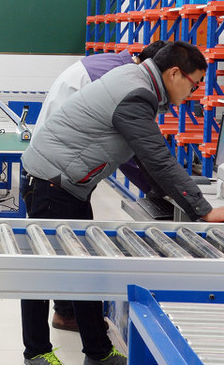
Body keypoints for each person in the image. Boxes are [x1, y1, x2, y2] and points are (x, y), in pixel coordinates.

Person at [18, 41, 224, 365]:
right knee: (44, 269)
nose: (195, 92)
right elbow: (156, 156)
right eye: (195, 83)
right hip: (53, 181)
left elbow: (139, 152)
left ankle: (97, 352)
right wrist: (203, 210)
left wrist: (171, 194)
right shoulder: (137, 93)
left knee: (86, 268)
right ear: (174, 73)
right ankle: (35, 353)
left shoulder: (137, 80)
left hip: (67, 182)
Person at [34, 41, 165, 333]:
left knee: (73, 245)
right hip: (60, 168)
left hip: (63, 165)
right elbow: (128, 147)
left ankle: (72, 318)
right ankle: (60, 324)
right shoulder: (122, 80)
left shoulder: (113, 67)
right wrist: (159, 189)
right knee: (62, 250)